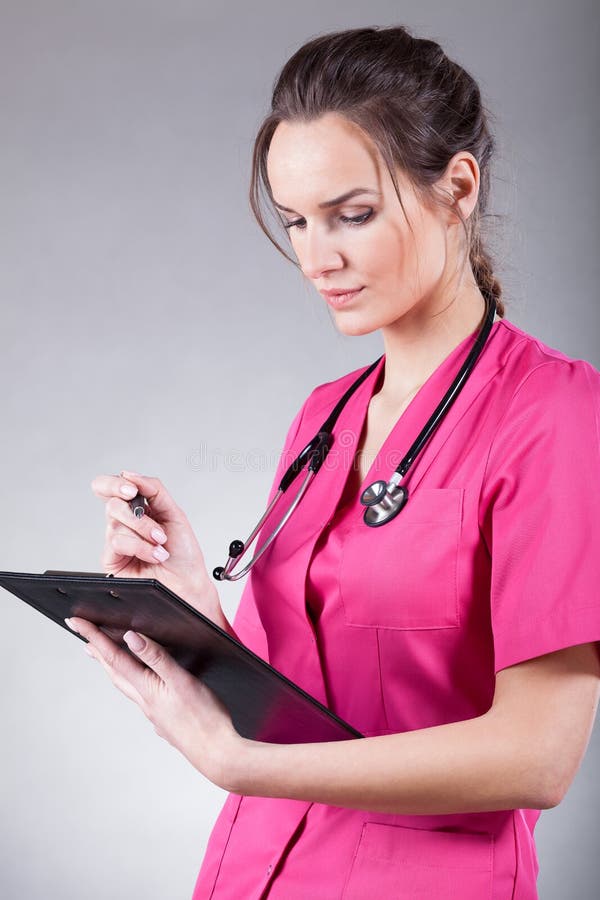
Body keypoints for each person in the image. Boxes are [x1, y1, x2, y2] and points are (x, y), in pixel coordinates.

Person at [65, 25, 600, 899]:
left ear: (458, 187)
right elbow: (298, 709)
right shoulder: (327, 415)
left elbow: (538, 756)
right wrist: (195, 602)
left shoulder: (555, 415)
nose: (319, 258)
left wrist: (240, 767)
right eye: (297, 222)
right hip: (251, 872)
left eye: (353, 215)